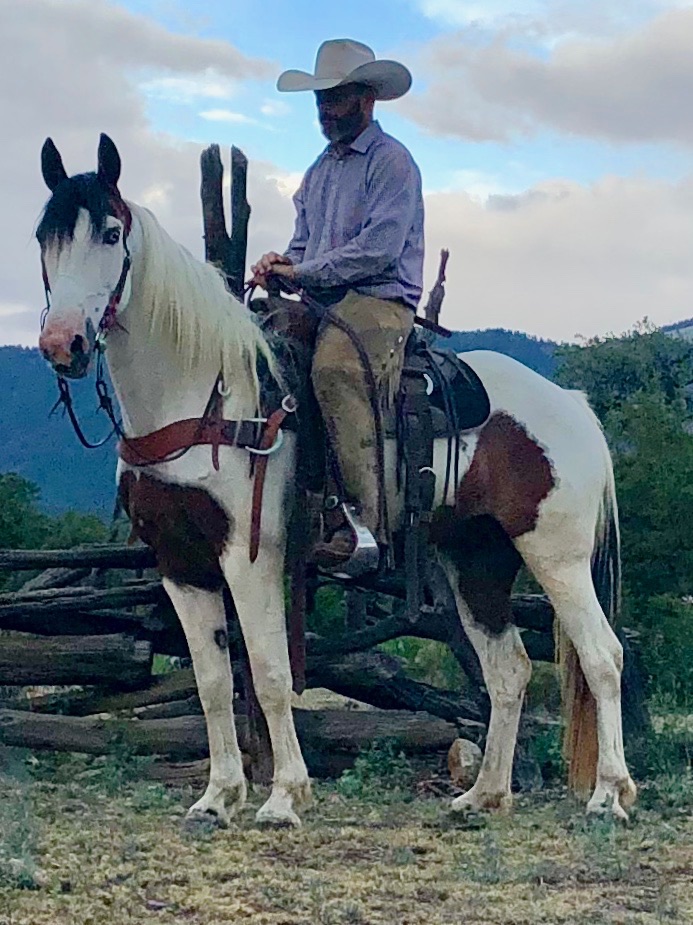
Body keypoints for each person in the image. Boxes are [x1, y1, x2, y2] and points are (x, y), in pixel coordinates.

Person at [250, 39, 425, 572]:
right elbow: (306, 244)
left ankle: (365, 525)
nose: (326, 110)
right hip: (324, 298)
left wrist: (302, 272)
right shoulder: (318, 172)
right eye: (322, 100)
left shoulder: (392, 163)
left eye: (337, 98)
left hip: (379, 300)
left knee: (335, 371)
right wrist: (281, 263)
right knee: (253, 349)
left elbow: (379, 249)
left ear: (366, 99)